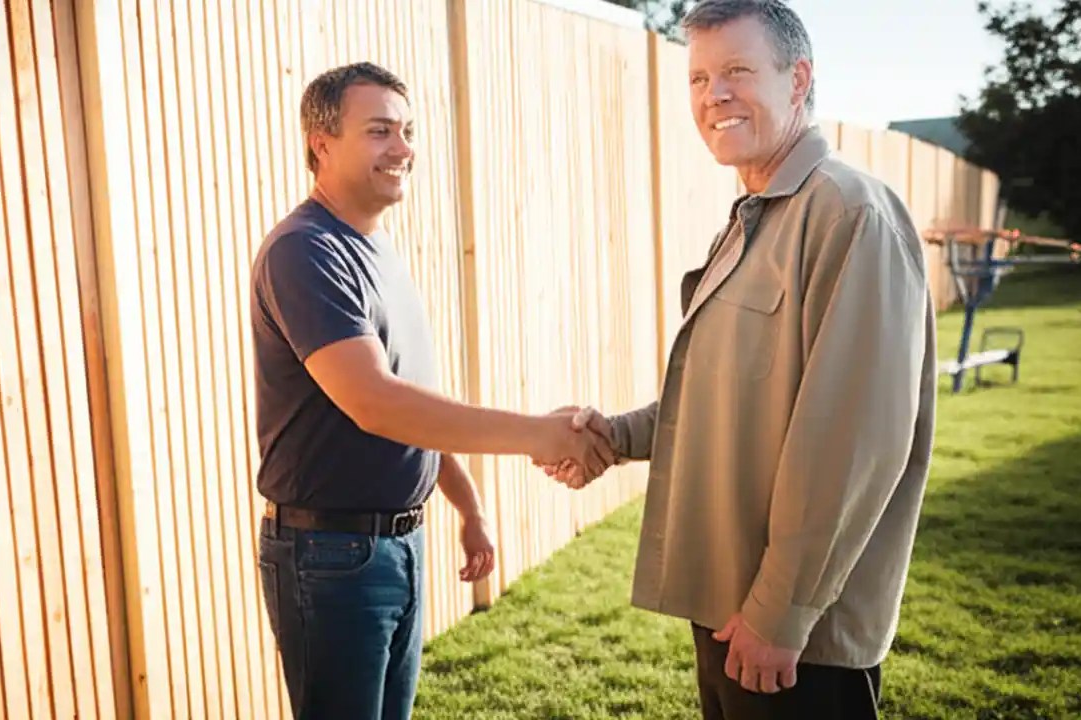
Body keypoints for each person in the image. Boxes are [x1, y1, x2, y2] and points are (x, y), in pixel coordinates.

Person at [551, 2, 936, 718]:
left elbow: (853, 444)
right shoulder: (754, 214)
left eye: (736, 71)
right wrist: (615, 434)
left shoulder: (850, 215)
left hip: (797, 637)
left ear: (799, 80)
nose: (713, 95)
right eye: (698, 77)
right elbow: (725, 393)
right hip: (733, 607)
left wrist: (781, 610)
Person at [251, 62, 614, 720]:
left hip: (396, 545)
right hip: (330, 558)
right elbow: (376, 402)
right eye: (380, 131)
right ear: (321, 144)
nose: (404, 148)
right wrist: (539, 433)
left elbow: (414, 400)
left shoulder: (375, 248)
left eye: (408, 130)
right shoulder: (304, 252)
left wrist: (466, 504)